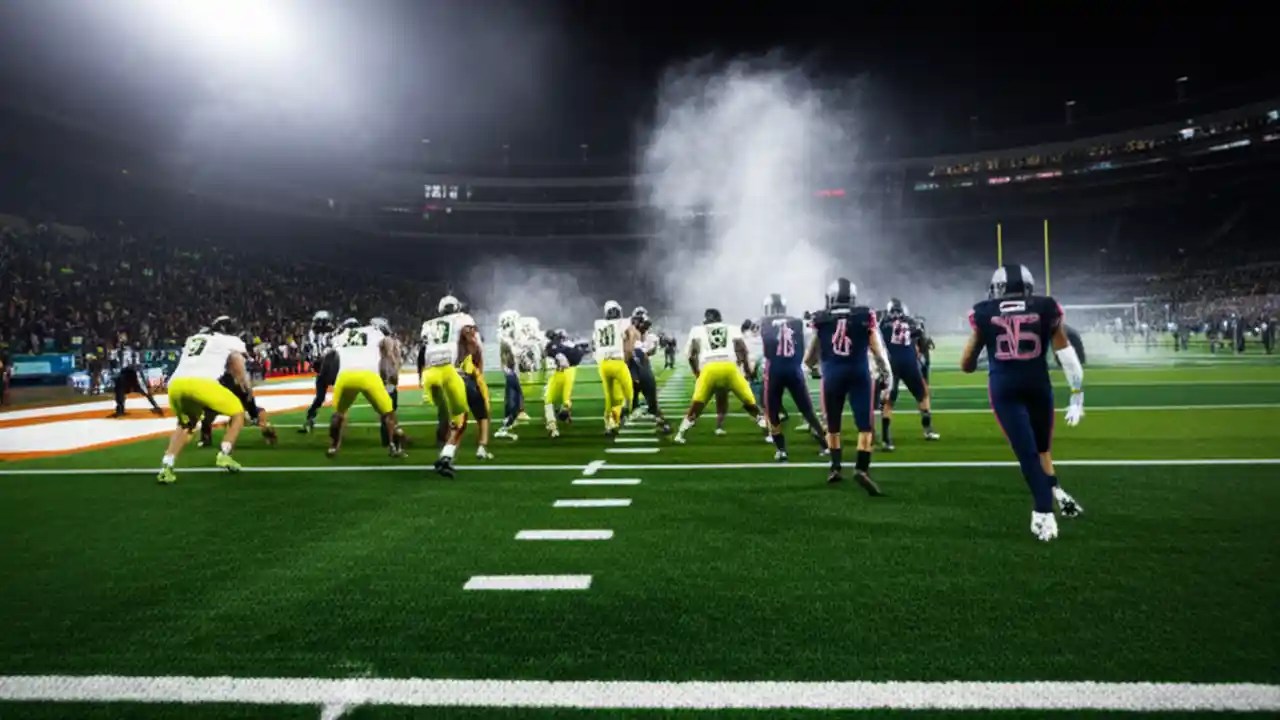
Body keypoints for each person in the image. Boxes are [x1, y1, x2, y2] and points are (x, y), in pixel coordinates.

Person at [961, 264, 1085, 542]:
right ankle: (1056, 492)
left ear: (997, 289)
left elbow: (966, 364)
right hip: (1039, 386)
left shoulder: (984, 311)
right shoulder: (1045, 307)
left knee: (1028, 453)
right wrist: (1077, 395)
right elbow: (1067, 356)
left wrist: (986, 354)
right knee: (1042, 449)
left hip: (1005, 388)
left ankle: (1044, 511)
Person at [804, 278, 889, 494]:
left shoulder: (821, 319)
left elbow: (810, 356)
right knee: (865, 425)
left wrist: (812, 368)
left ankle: (835, 467)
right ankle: (861, 468)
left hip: (832, 374)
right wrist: (886, 371)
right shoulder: (864, 315)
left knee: (833, 425)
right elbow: (877, 349)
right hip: (859, 372)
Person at [157, 316, 250, 484]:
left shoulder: (193, 338)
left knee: (186, 425)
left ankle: (166, 467)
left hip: (176, 385)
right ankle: (224, 454)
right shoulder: (230, 340)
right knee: (238, 413)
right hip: (202, 383)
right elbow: (236, 363)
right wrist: (245, 386)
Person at [672, 308, 766, 444]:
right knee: (750, 403)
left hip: (709, 368)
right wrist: (746, 369)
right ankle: (769, 433)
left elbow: (692, 355)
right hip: (729, 368)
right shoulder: (732, 328)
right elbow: (742, 350)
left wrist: (697, 372)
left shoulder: (697, 330)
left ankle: (681, 434)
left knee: (697, 405)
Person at [759, 293, 828, 461]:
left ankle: (781, 450)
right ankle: (826, 445)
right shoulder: (797, 322)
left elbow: (766, 348)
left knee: (773, 412)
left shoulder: (764, 322)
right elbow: (809, 341)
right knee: (807, 411)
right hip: (793, 369)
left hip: (774, 369)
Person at [326, 317, 405, 459]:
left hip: (345, 376)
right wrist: (391, 372)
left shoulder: (340, 336)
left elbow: (332, 352)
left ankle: (333, 447)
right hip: (369, 375)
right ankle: (394, 446)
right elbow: (386, 348)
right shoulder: (373, 331)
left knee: (338, 414)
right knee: (389, 414)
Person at [420, 295, 478, 478]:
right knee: (460, 420)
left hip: (429, 373)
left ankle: (443, 449)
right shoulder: (463, 318)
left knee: (444, 414)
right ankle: (446, 456)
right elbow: (471, 341)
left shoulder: (427, 324)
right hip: (447, 371)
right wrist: (464, 363)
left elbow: (422, 351)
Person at [878, 298, 939, 451]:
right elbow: (923, 342)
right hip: (909, 362)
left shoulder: (883, 325)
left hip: (891, 364)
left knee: (888, 401)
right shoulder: (912, 323)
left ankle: (886, 439)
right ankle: (928, 429)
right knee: (922, 395)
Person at [593, 300, 637, 436]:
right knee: (629, 392)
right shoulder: (622, 323)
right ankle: (623, 411)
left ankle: (609, 424)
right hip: (617, 362)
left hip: (603, 365)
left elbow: (595, 344)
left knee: (609, 398)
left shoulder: (597, 324)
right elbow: (629, 334)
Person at [299, 312, 345, 434]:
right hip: (323, 370)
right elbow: (308, 353)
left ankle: (339, 421)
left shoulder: (332, 335)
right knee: (320, 398)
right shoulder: (311, 335)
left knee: (337, 397)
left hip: (333, 368)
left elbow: (337, 350)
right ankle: (310, 419)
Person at [543, 328, 586, 437]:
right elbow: (578, 357)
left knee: (548, 400)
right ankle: (566, 408)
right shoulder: (571, 345)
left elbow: (547, 353)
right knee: (566, 397)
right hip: (570, 372)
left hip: (557, 373)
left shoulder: (552, 345)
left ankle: (552, 426)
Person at [109, 341, 163, 417]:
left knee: (142, 390)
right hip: (126, 373)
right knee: (120, 390)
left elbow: (135, 365)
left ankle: (156, 407)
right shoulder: (118, 352)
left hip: (131, 373)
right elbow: (113, 362)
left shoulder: (129, 352)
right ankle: (120, 408)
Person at [494, 310, 525, 440]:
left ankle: (514, 417)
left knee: (514, 394)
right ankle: (506, 424)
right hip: (510, 369)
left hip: (510, 368)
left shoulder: (504, 334)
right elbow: (513, 352)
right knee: (513, 395)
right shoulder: (504, 336)